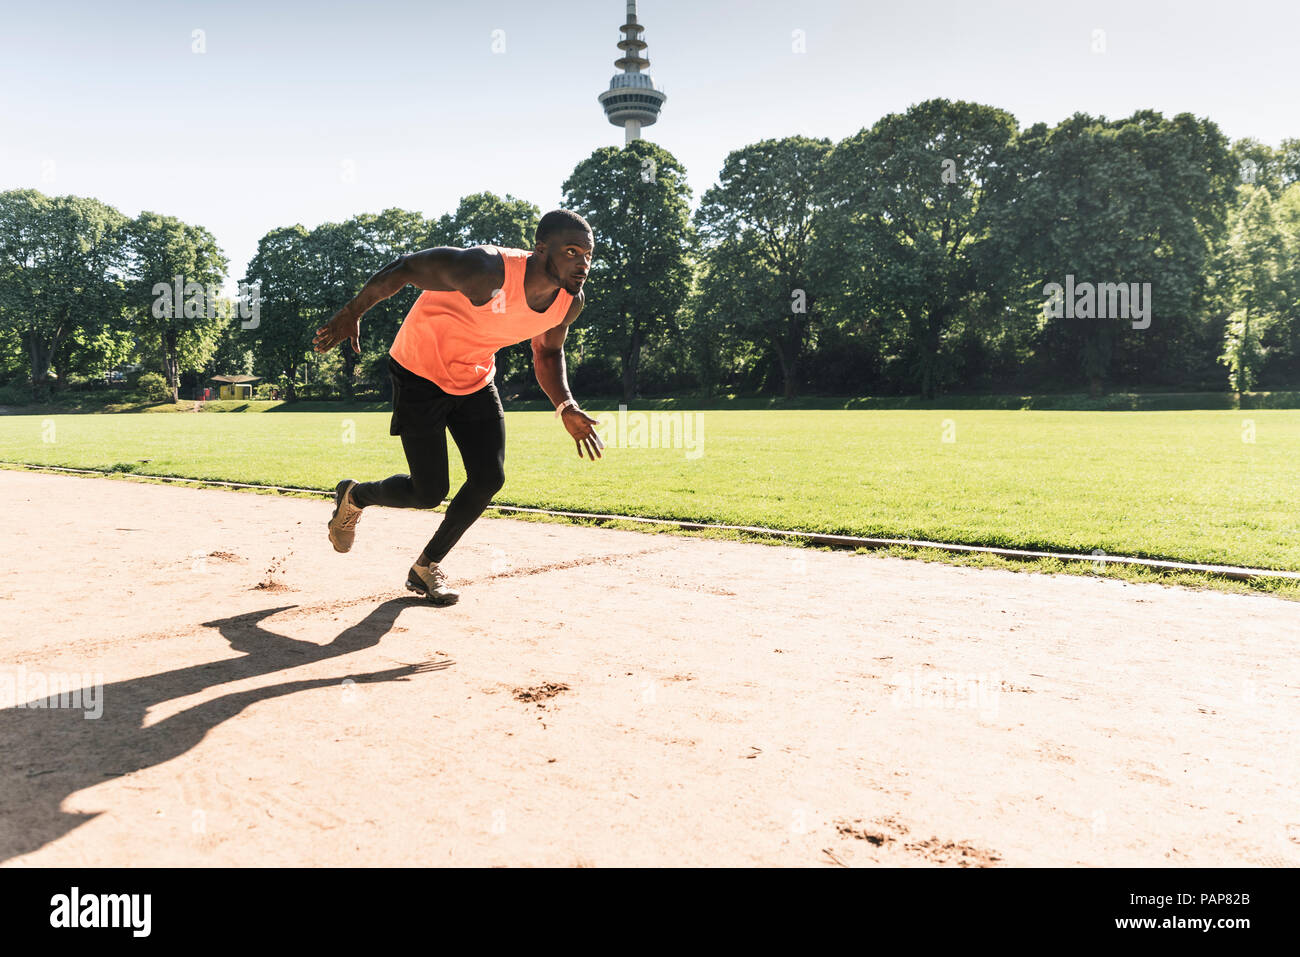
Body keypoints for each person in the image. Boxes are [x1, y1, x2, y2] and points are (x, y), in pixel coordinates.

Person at [311, 209, 604, 605]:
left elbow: (548, 352)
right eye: (572, 252)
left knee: (488, 478)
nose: (582, 264)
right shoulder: (486, 269)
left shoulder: (569, 301)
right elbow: (405, 268)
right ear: (540, 249)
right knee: (429, 491)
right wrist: (352, 312)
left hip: (474, 377)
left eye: (588, 255)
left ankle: (425, 567)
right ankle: (355, 496)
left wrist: (565, 404)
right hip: (418, 371)